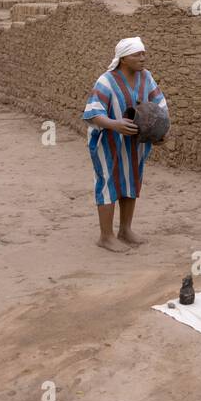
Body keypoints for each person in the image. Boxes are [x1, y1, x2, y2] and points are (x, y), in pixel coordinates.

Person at [82, 37, 168, 252]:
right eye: (137, 54)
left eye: (143, 53)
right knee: (108, 184)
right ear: (123, 59)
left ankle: (125, 230)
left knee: (131, 181)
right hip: (108, 142)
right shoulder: (106, 81)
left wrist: (160, 132)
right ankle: (106, 236)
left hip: (134, 143)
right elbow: (92, 113)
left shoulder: (146, 77)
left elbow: (160, 104)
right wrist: (115, 124)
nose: (142, 58)